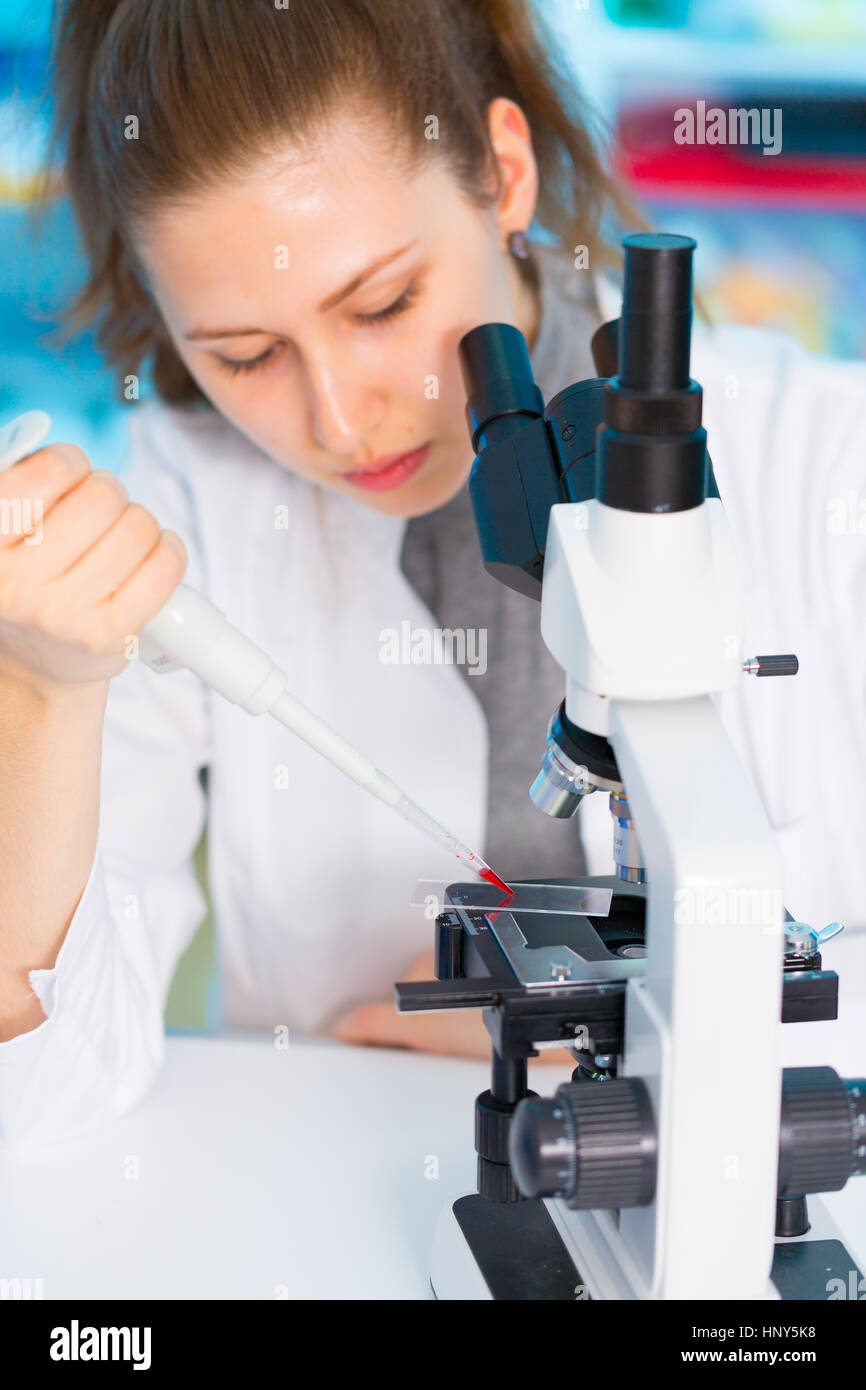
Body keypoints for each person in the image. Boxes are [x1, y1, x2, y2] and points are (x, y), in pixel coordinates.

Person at [0, 0, 863, 1148]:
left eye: (381, 303)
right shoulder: (182, 510)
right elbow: (43, 1095)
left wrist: (616, 1035)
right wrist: (42, 693)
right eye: (243, 355)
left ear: (503, 174)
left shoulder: (821, 461)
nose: (341, 418)